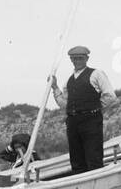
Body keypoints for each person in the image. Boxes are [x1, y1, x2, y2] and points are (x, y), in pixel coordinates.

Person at [49, 45, 117, 175]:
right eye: (74, 59)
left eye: (80, 58)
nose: (77, 61)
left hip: (91, 120)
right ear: (71, 60)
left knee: (93, 156)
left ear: (86, 58)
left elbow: (110, 96)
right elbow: (65, 105)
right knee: (76, 159)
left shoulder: (96, 74)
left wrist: (94, 108)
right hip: (73, 122)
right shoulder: (69, 81)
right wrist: (54, 87)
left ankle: (97, 183)